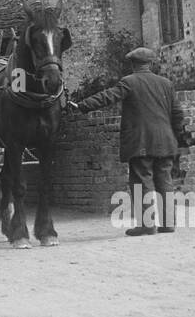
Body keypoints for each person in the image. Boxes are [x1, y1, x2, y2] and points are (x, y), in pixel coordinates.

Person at [77, 47, 186, 236]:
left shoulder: (129, 81)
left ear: (133, 64)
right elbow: (178, 114)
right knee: (165, 181)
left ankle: (147, 224)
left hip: (141, 142)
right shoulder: (166, 83)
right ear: (150, 64)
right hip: (166, 141)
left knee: (141, 181)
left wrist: (82, 105)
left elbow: (107, 97)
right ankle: (168, 223)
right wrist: (177, 138)